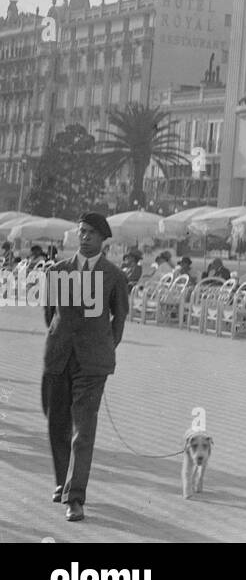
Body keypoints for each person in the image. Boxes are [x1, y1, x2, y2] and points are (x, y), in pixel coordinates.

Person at [41, 212, 130, 522]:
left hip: (92, 363)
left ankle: (75, 497)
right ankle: (61, 481)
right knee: (57, 423)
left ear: (103, 239)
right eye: (81, 231)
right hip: (59, 356)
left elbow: (118, 322)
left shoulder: (114, 276)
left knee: (84, 431)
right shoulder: (58, 271)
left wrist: (100, 348)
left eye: (92, 233)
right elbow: (50, 314)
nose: (85, 237)